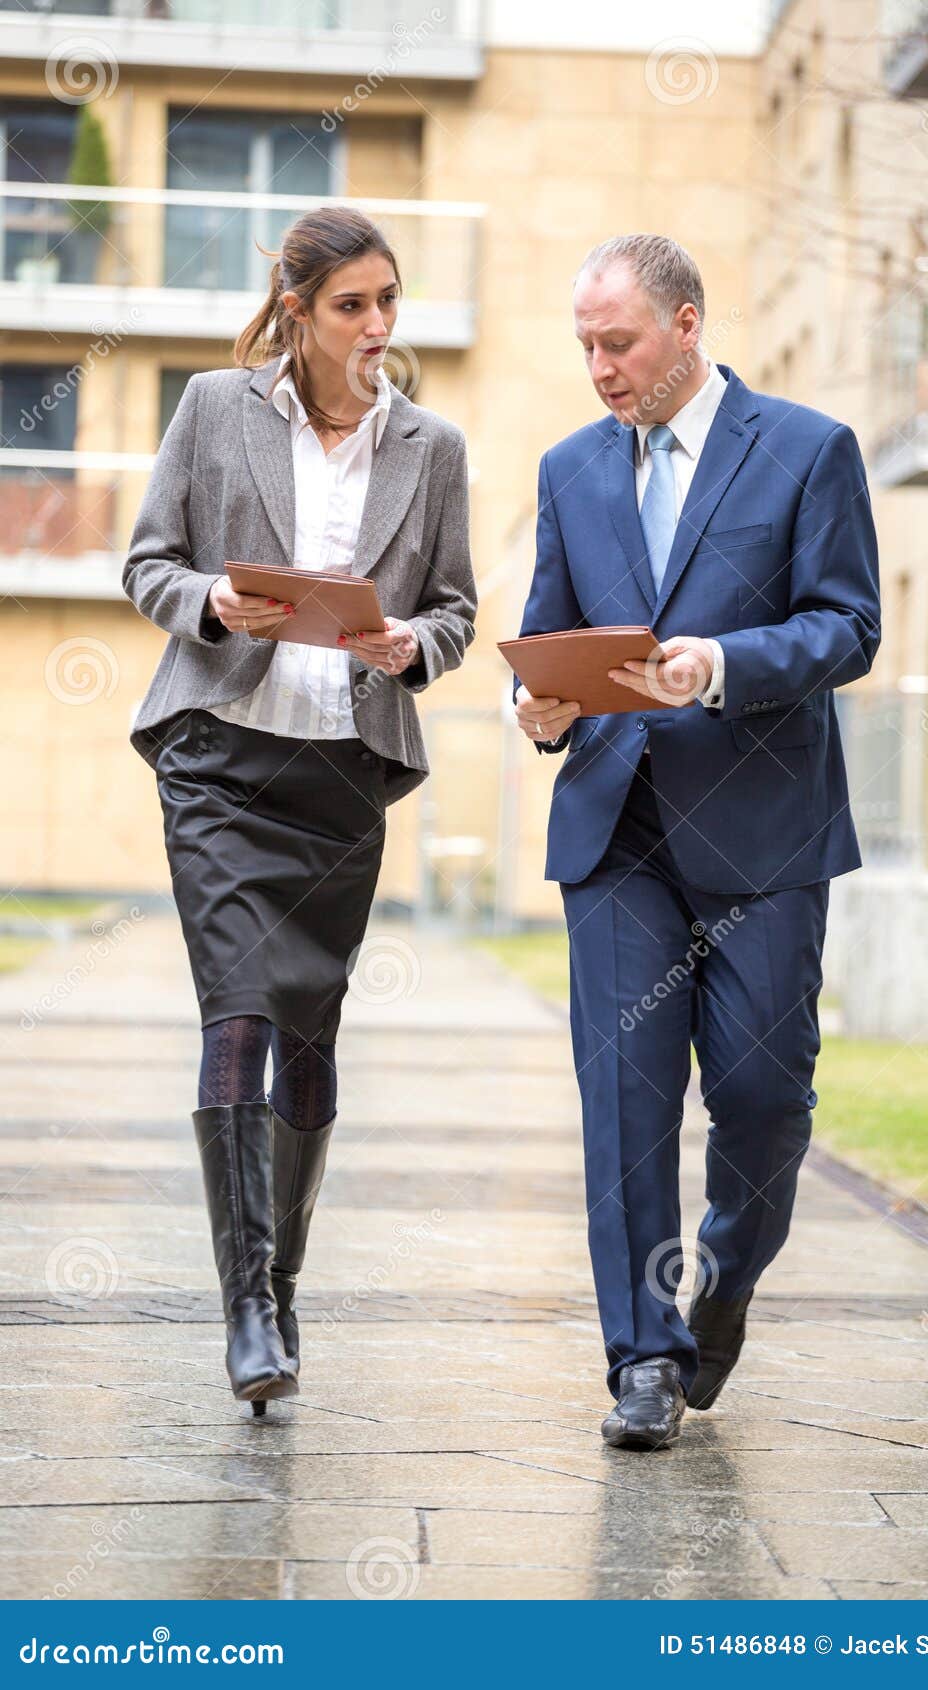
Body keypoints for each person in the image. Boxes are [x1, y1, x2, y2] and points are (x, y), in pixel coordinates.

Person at [513, 234, 879, 1451]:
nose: (600, 369)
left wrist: (721, 665)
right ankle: (644, 1358)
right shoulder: (570, 470)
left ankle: (716, 1291)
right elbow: (547, 640)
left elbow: (848, 626)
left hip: (767, 838)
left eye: (616, 343)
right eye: (585, 348)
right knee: (623, 1102)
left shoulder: (808, 450)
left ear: (685, 323)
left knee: (764, 1103)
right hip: (616, 834)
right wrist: (541, 708)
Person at [122, 206, 477, 1415]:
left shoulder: (430, 445)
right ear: (296, 309)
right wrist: (215, 599)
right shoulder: (216, 411)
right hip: (221, 760)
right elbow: (148, 563)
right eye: (353, 305)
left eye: (389, 301)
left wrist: (404, 645)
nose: (378, 326)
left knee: (311, 1040)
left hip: (340, 775)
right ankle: (247, 1307)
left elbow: (457, 612)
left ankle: (283, 1274)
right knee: (238, 1015)